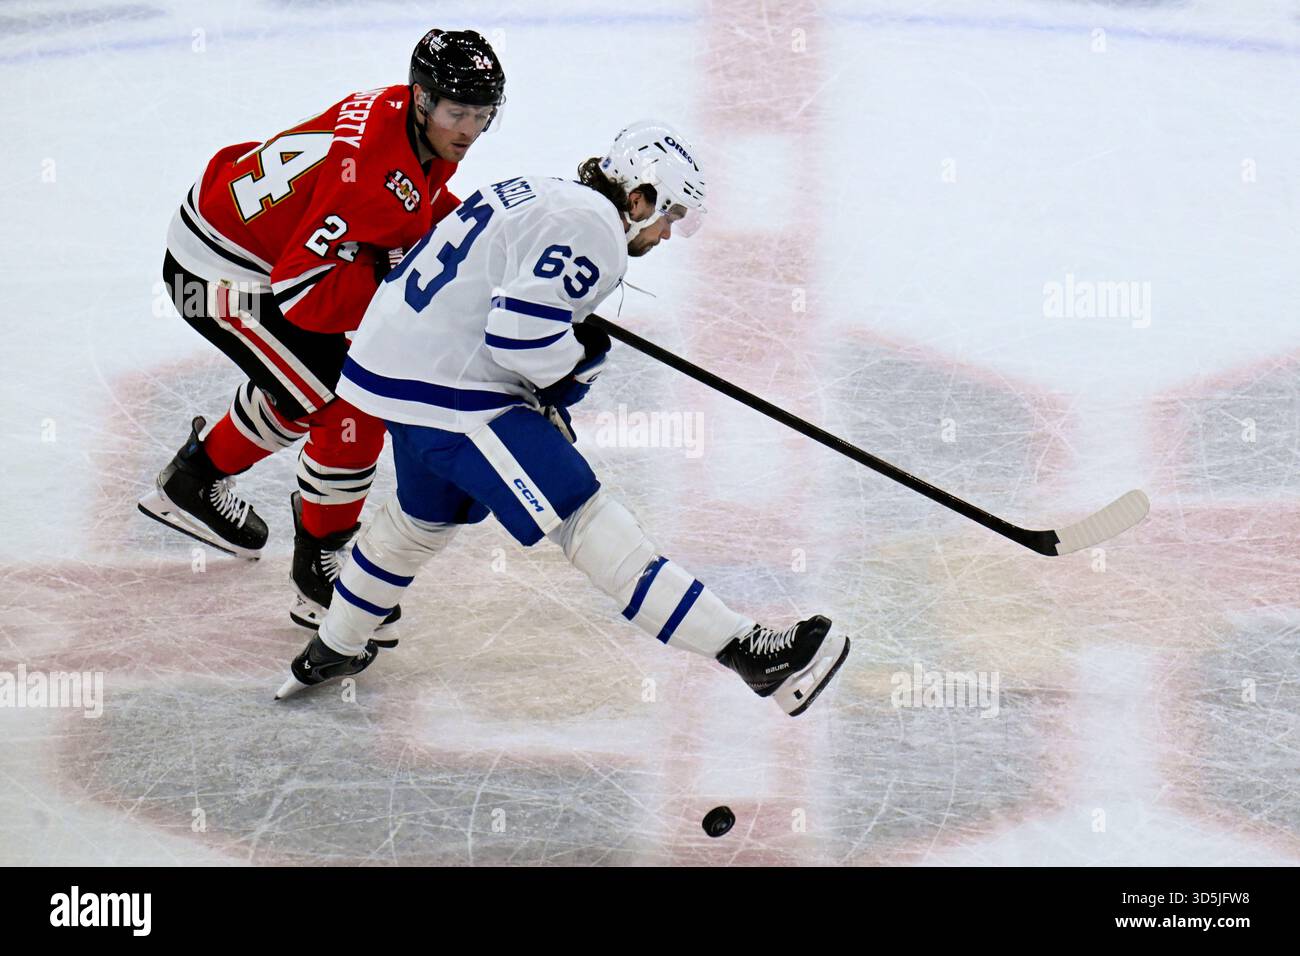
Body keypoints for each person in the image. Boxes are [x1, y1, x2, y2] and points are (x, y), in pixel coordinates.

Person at [275, 121, 850, 716]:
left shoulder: (547, 193)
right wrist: (572, 366)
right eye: (670, 216)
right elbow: (520, 338)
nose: (668, 233)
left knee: (420, 520)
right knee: (581, 513)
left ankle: (336, 645)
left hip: (397, 370)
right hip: (449, 388)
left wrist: (558, 362)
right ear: (639, 196)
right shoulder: (595, 228)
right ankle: (750, 654)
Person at [139, 29, 506, 629]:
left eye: (480, 114)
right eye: (455, 112)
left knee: (303, 383)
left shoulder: (398, 112)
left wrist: (476, 245)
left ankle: (193, 481)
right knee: (345, 401)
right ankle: (319, 568)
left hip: (241, 237)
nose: (467, 128)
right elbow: (304, 298)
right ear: (422, 100)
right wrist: (405, 281)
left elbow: (409, 205)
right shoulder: (372, 180)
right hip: (219, 276)